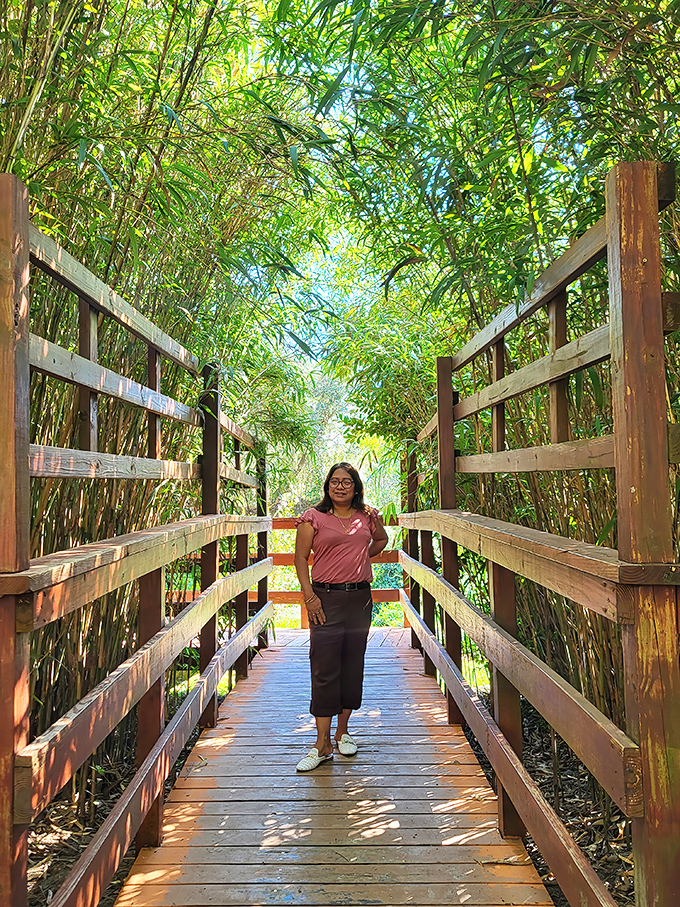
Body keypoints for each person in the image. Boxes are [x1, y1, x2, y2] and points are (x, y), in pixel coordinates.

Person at [293, 462, 389, 772]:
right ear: (327, 486)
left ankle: (342, 731)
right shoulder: (313, 518)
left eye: (347, 482)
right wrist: (310, 598)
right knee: (324, 666)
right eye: (334, 481)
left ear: (356, 487)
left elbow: (382, 540)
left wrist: (361, 556)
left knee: (352, 664)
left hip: (359, 598)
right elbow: (299, 559)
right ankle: (321, 744)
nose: (340, 486)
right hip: (325, 598)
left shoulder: (367, 517)